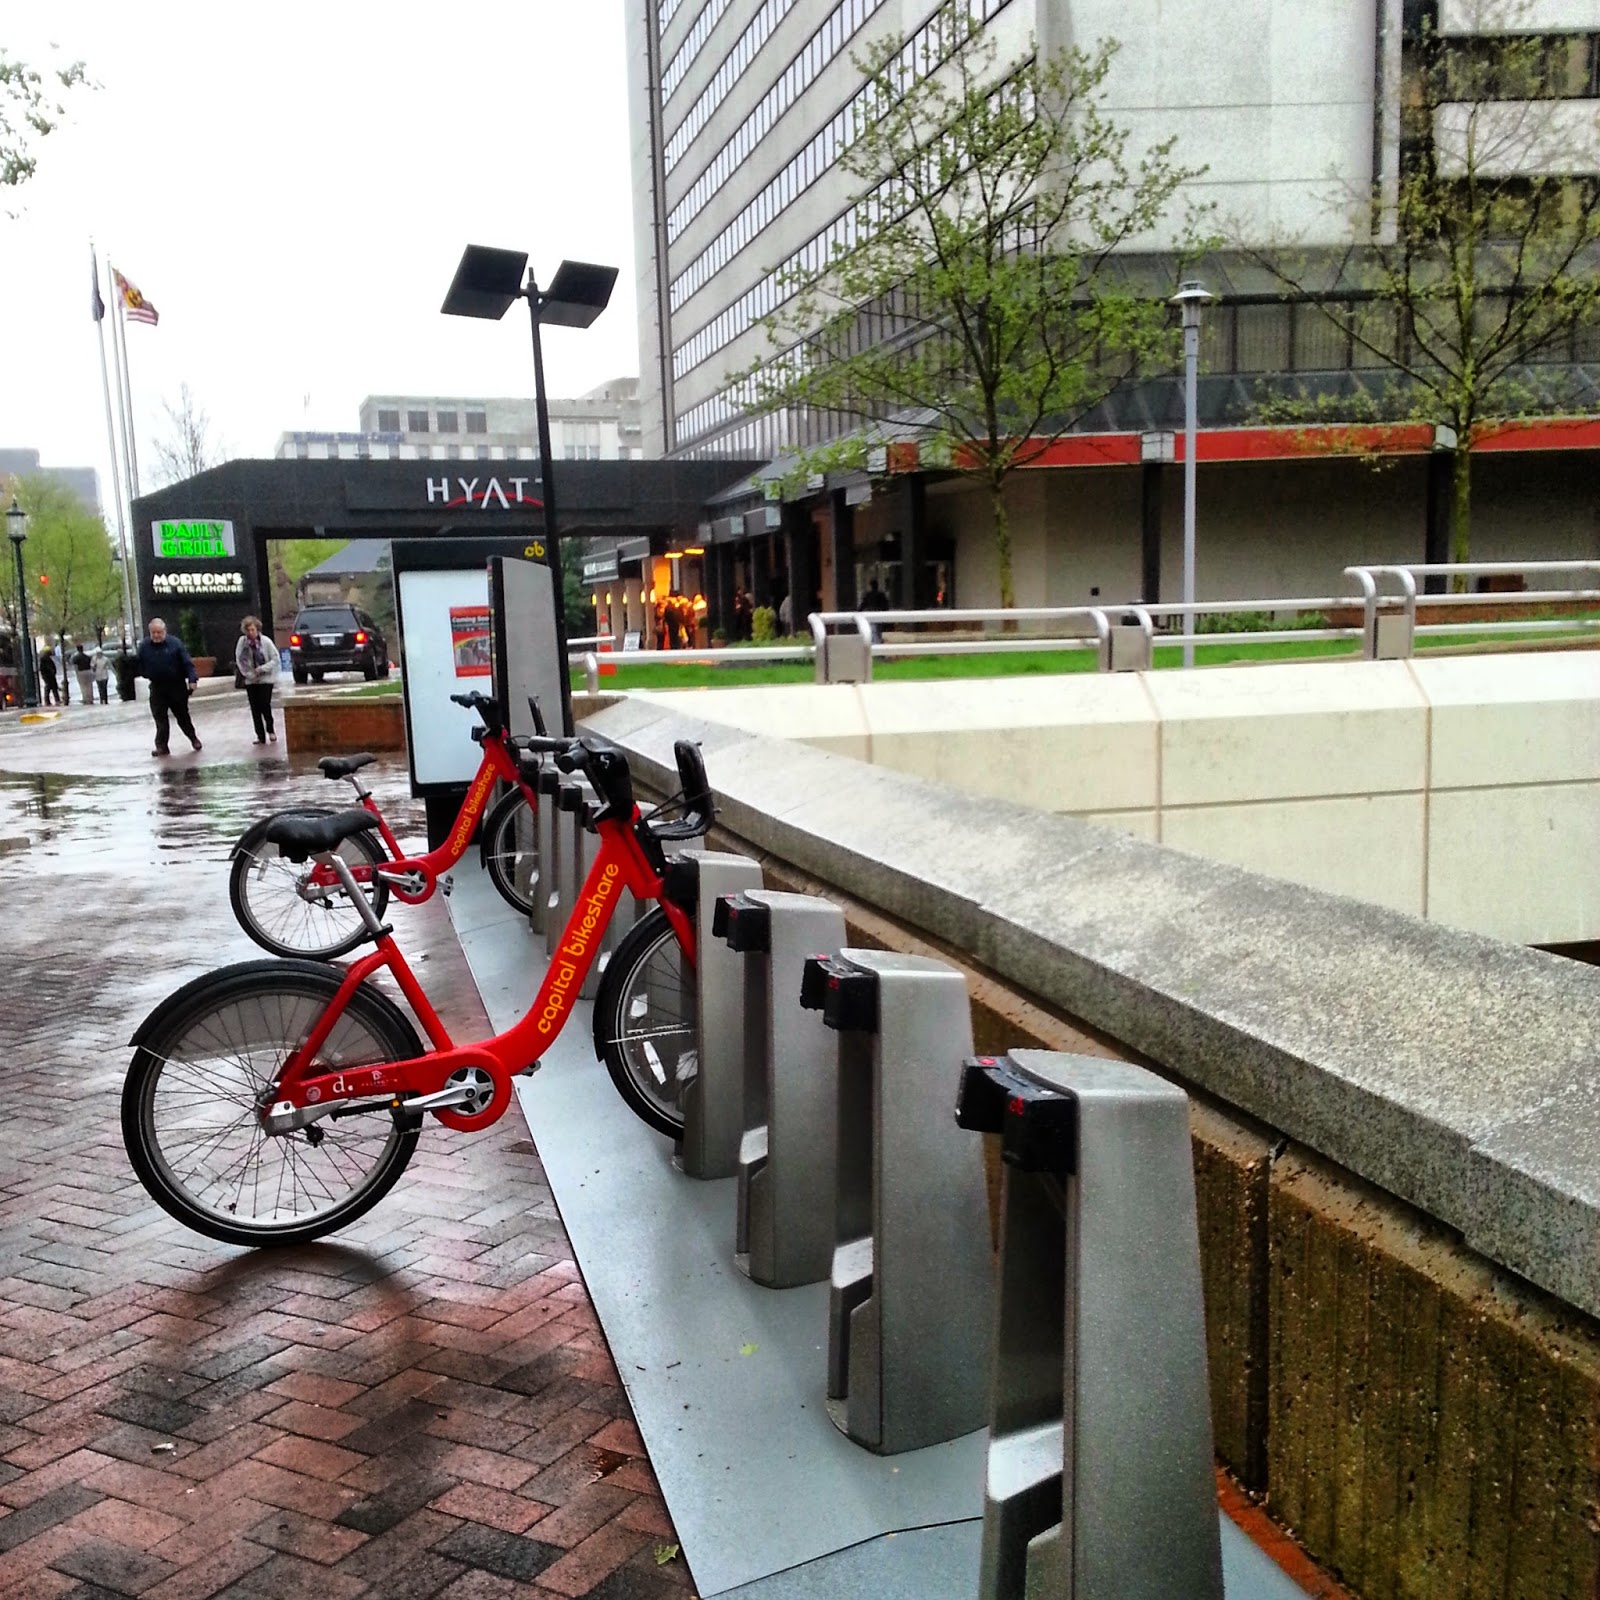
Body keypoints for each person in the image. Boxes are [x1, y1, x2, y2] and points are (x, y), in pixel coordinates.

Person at [134, 616, 201, 757]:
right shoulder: (145, 646)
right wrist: (144, 673)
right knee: (160, 719)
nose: (157, 635)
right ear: (150, 632)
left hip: (176, 686)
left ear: (165, 631)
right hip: (157, 687)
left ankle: (193, 738)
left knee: (183, 716)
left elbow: (187, 663)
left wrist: (192, 679)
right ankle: (162, 746)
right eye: (154, 633)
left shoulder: (175, 644)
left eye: (159, 632)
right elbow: (138, 663)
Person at [235, 615, 279, 744]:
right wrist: (249, 674)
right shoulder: (242, 643)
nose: (250, 633)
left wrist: (262, 669)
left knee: (265, 705)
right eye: (248, 630)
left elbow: (275, 659)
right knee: (255, 708)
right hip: (251, 681)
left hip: (266, 679)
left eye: (253, 629)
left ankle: (270, 730)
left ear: (257, 629)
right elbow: (239, 660)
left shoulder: (266, 642)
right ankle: (260, 735)